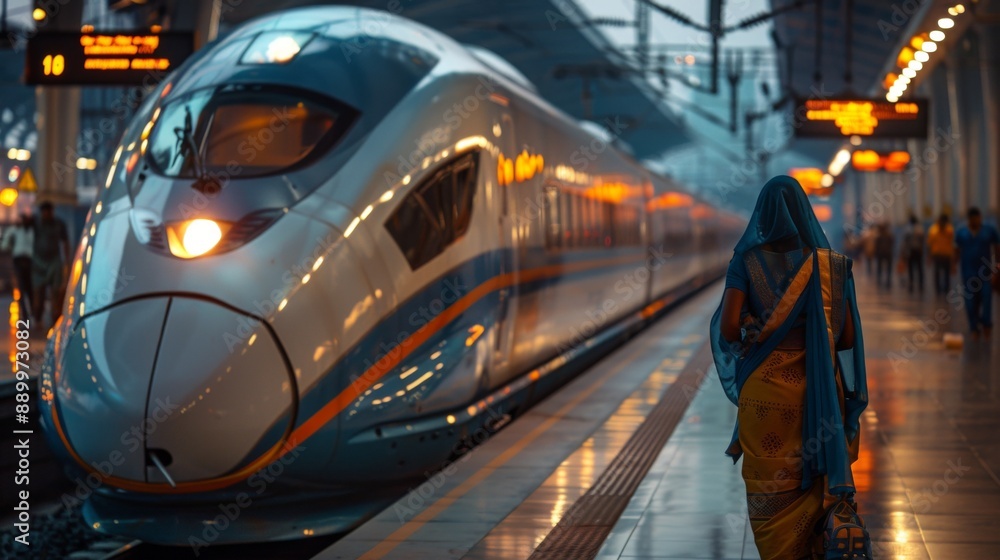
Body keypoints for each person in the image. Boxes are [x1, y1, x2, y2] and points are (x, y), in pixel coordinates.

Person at [710, 176, 868, 560]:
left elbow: (729, 328)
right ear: (804, 213)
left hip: (763, 396)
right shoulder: (831, 266)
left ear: (761, 214)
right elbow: (845, 338)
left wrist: (755, 329)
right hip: (816, 396)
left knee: (769, 492)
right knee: (811, 487)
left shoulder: (745, 262)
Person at [954, 207, 1000, 338]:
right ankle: (974, 326)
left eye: (977, 218)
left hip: (985, 275)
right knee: (970, 304)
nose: (975, 221)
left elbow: (997, 248)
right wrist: (954, 264)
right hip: (968, 275)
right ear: (969, 219)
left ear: (980, 218)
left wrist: (997, 266)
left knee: (986, 301)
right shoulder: (962, 233)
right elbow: (956, 249)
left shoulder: (989, 231)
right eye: (972, 219)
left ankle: (986, 324)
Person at [32, 201, 71, 331]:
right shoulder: (35, 224)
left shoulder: (59, 224)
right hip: (38, 262)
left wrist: (66, 261)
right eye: (44, 212)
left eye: (49, 212)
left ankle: (55, 322)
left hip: (54, 262)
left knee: (56, 293)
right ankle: (37, 319)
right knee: (39, 294)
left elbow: (65, 242)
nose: (47, 215)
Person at [1, 213, 35, 320]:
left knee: (30, 289)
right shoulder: (15, 230)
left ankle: (33, 313)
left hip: (30, 261)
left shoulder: (32, 230)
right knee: (21, 287)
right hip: (19, 261)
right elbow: (4, 245)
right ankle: (25, 314)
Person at [926, 214, 955, 295]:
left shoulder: (949, 230)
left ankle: (946, 289)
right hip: (937, 256)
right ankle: (937, 290)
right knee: (937, 273)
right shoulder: (933, 230)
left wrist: (953, 259)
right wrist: (929, 257)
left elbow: (952, 244)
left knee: (947, 274)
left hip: (947, 256)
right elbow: (929, 244)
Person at [901, 215, 925, 293]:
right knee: (919, 268)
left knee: (911, 268)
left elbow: (905, 242)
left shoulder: (908, 229)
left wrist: (903, 252)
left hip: (911, 251)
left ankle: (911, 283)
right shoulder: (920, 229)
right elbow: (923, 241)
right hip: (918, 251)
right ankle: (921, 284)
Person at [874, 222, 894, 288]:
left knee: (879, 268)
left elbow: (876, 246)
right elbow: (892, 244)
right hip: (888, 253)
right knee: (888, 268)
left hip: (881, 254)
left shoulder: (879, 236)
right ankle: (888, 281)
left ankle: (879, 281)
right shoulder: (889, 235)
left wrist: (876, 253)